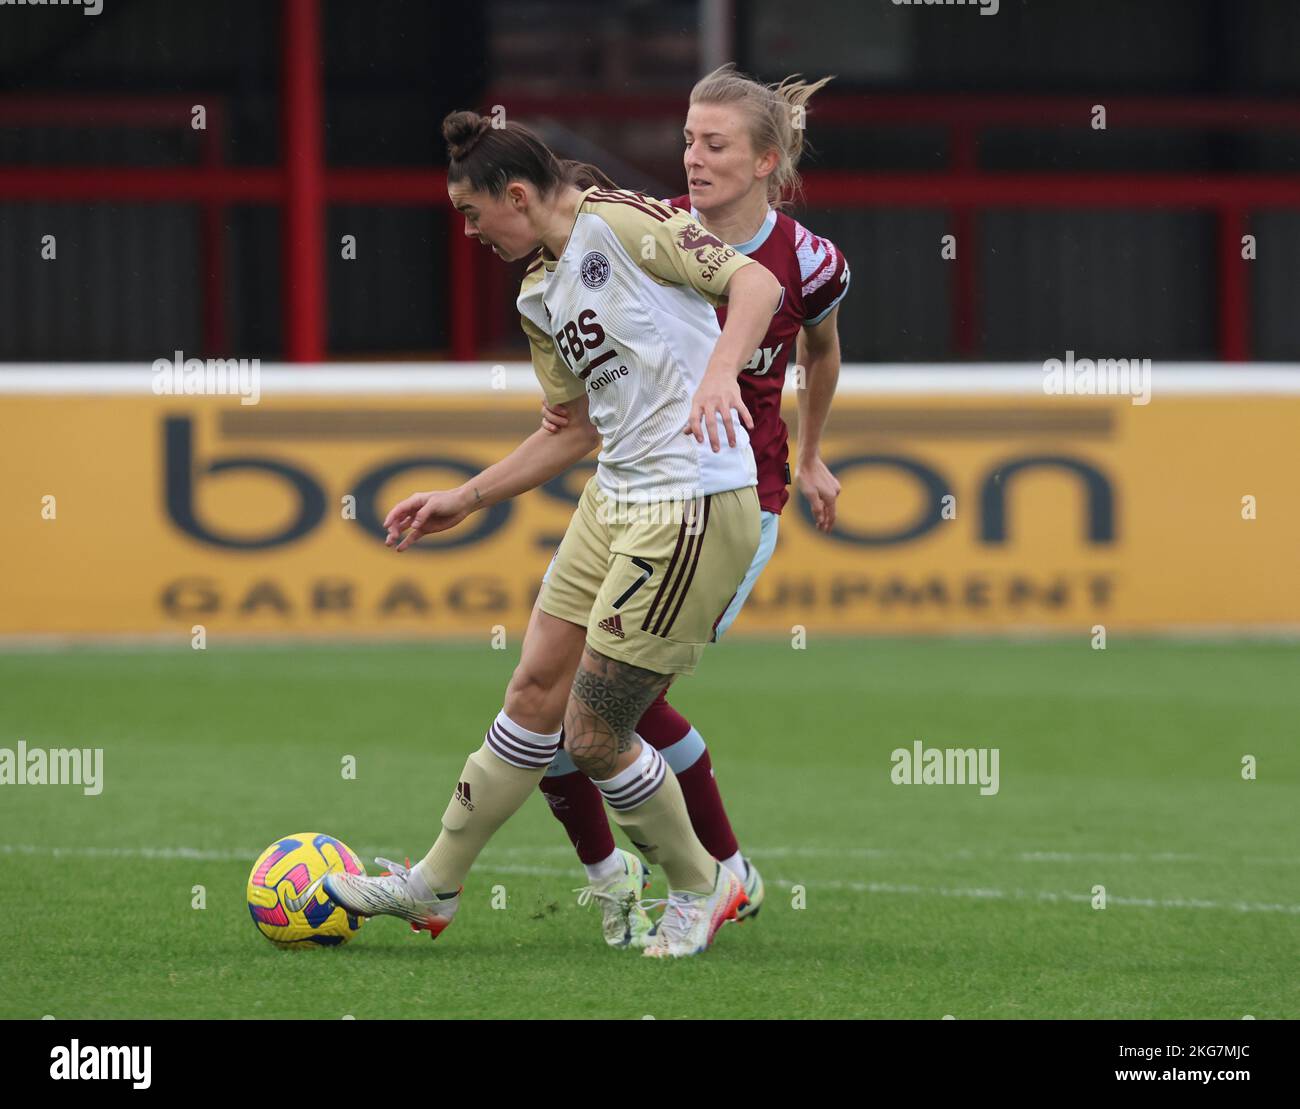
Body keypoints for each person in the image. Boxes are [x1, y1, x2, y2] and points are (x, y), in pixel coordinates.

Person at [322, 107, 784, 958]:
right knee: (533, 696)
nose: (466, 232)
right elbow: (572, 429)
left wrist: (722, 372)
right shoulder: (540, 291)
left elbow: (757, 285)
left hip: (688, 504)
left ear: (519, 194)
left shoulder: (622, 221)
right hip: (614, 501)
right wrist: (468, 495)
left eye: (470, 213)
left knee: (595, 734)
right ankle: (434, 883)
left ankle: (702, 882)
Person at [536, 64, 850, 947]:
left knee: (600, 708)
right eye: (687, 139)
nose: (694, 158)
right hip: (646, 497)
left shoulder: (810, 260)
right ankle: (652, 878)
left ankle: (706, 873)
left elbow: (821, 353)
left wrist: (815, 453)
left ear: (764, 162)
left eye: (715, 144)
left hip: (739, 500)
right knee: (574, 707)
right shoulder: (656, 231)